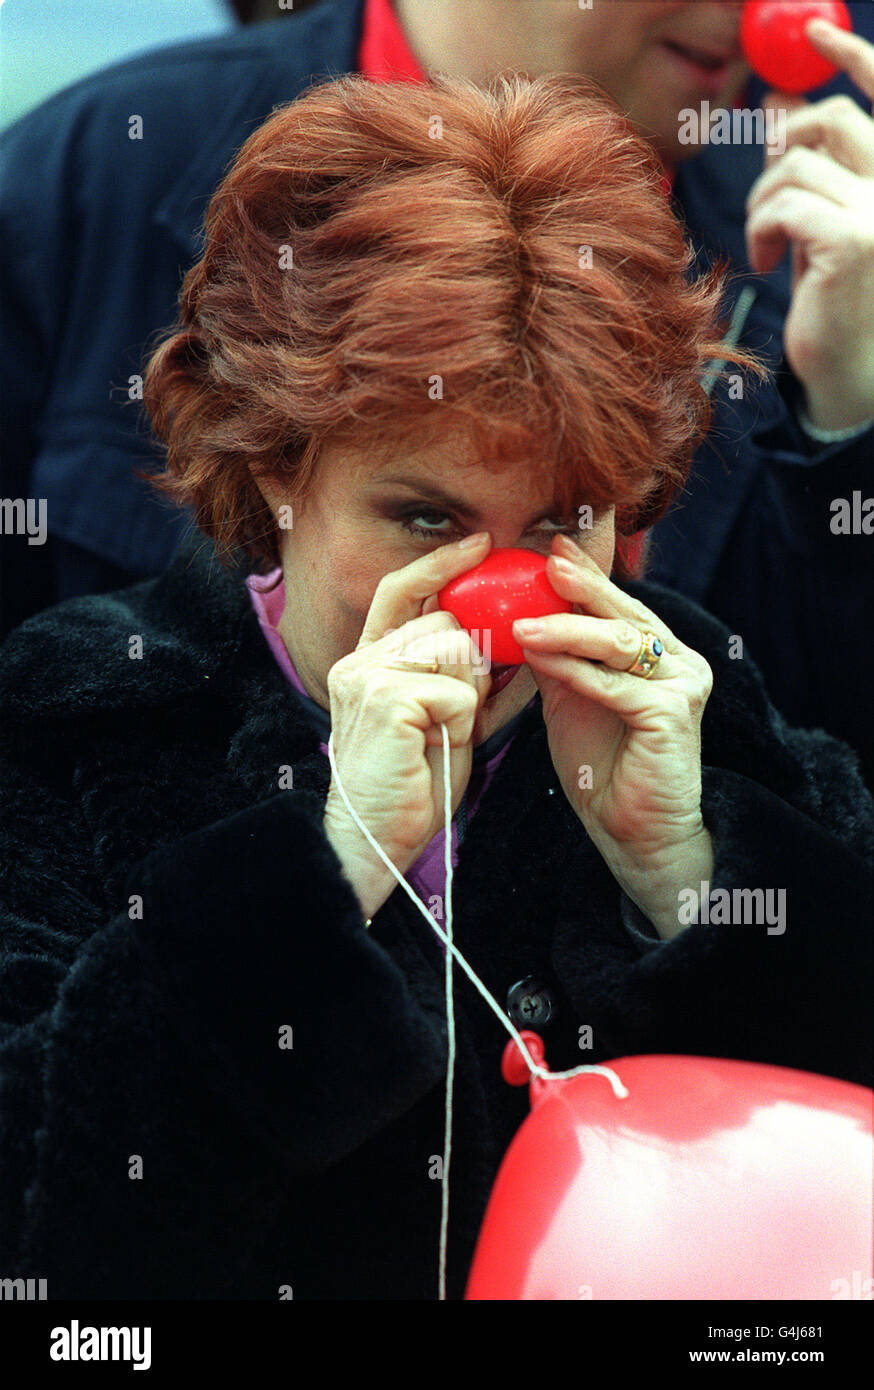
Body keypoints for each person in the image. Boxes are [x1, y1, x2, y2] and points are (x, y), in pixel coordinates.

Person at [1, 75, 870, 1302]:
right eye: (423, 516)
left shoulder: (697, 704)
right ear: (276, 465)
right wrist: (324, 870)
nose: (495, 595)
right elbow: (52, 1247)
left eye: (563, 521)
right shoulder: (68, 719)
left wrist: (688, 873)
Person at [1, 0, 873, 785]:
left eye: (567, 516)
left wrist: (851, 427)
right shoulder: (87, 176)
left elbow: (809, 760)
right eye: (425, 515)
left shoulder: (819, 261)